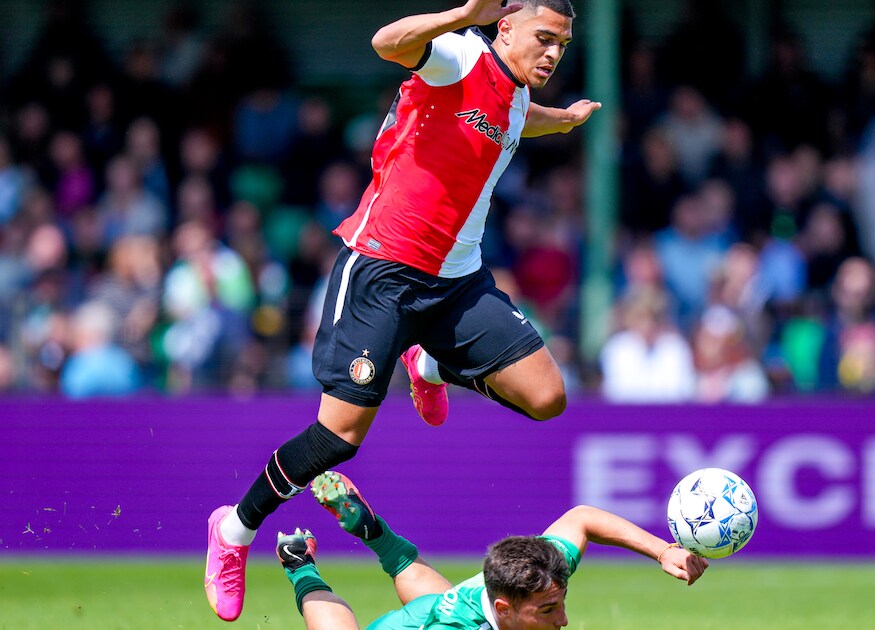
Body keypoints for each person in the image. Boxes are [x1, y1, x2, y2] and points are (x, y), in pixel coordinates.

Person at [205, 0, 601, 620]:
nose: (553, 54)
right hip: (383, 272)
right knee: (338, 438)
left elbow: (520, 120)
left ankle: (430, 366)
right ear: (505, 27)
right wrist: (465, 10)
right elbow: (386, 41)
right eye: (544, 39)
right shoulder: (457, 56)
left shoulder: (519, 94)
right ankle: (233, 530)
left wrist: (565, 121)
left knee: (548, 397)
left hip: (457, 282)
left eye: (563, 46)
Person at [276, 471, 708, 629]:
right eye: (547, 612)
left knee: (436, 603)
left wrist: (663, 550)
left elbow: (581, 518)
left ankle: (378, 535)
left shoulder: (539, 572)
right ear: (502, 608)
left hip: (447, 608)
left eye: (558, 604)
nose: (564, 620)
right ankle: (299, 563)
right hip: (417, 625)